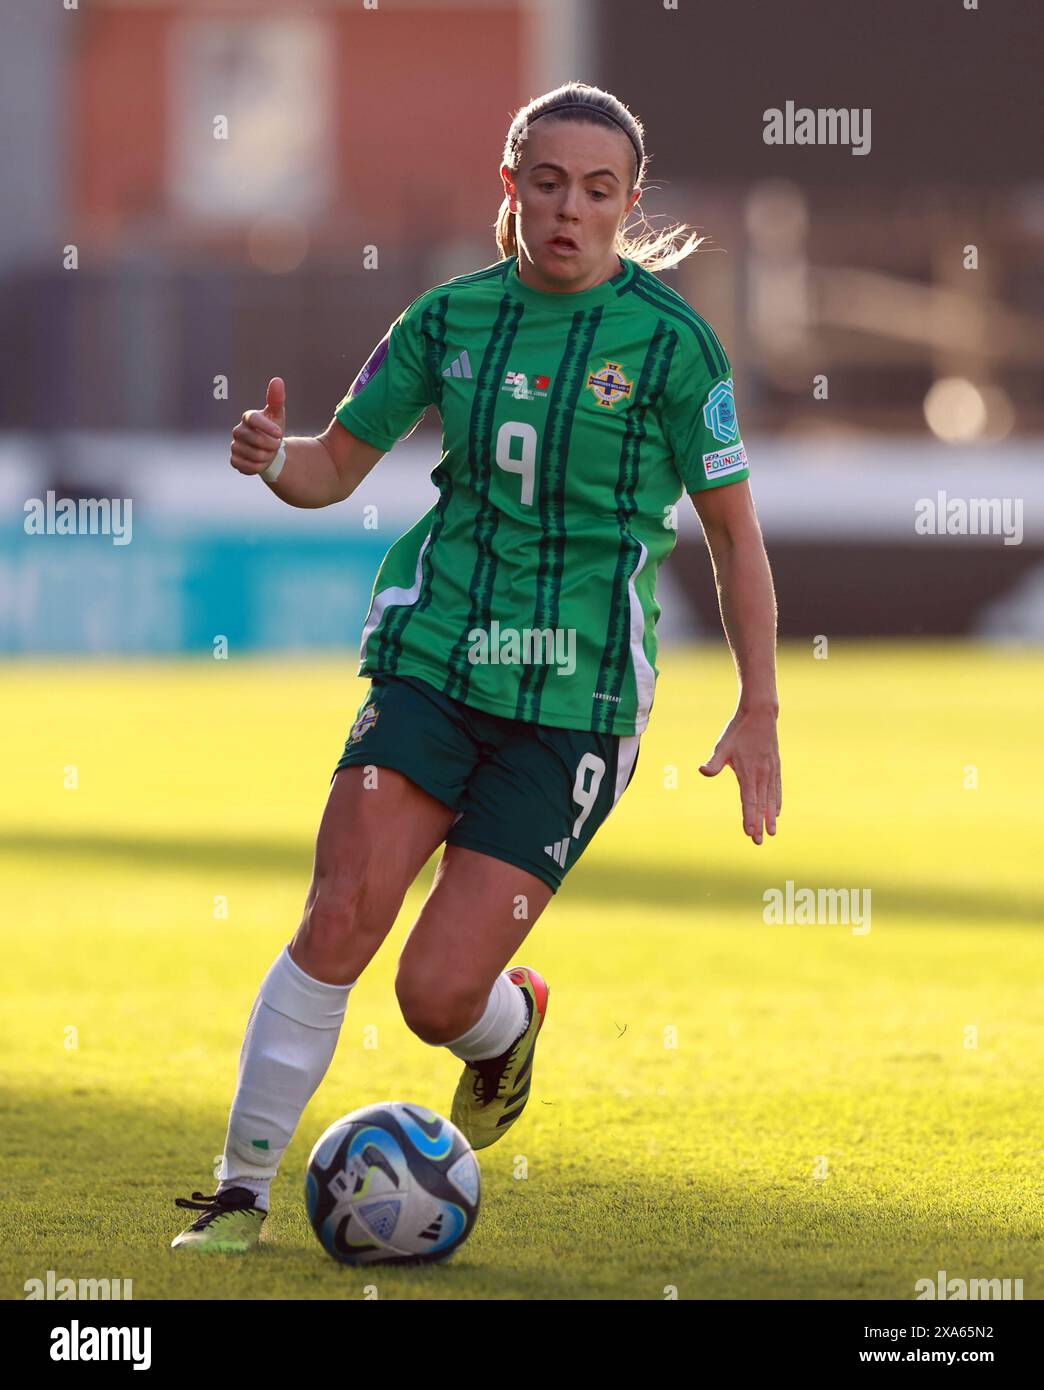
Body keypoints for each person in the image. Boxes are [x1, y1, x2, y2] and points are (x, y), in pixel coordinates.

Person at [172, 81, 781, 1253]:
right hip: (437, 658)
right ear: (512, 188)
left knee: (433, 994)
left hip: (576, 698)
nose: (569, 210)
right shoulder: (448, 320)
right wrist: (270, 459)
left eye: (598, 191)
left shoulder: (672, 344)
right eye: (547, 183)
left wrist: (759, 704)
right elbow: (333, 466)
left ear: (628, 204)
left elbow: (734, 532)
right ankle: (239, 1194)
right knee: (341, 912)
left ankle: (504, 1027)